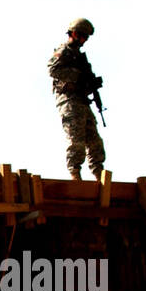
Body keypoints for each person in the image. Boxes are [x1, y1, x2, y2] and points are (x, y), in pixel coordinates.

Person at [48, 18, 105, 180]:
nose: (84, 41)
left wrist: (89, 83)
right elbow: (52, 69)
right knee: (76, 139)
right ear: (74, 33)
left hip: (82, 101)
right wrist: (78, 77)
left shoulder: (78, 56)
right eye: (82, 37)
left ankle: (99, 174)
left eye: (86, 38)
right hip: (69, 102)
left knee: (95, 141)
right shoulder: (64, 51)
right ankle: (75, 175)